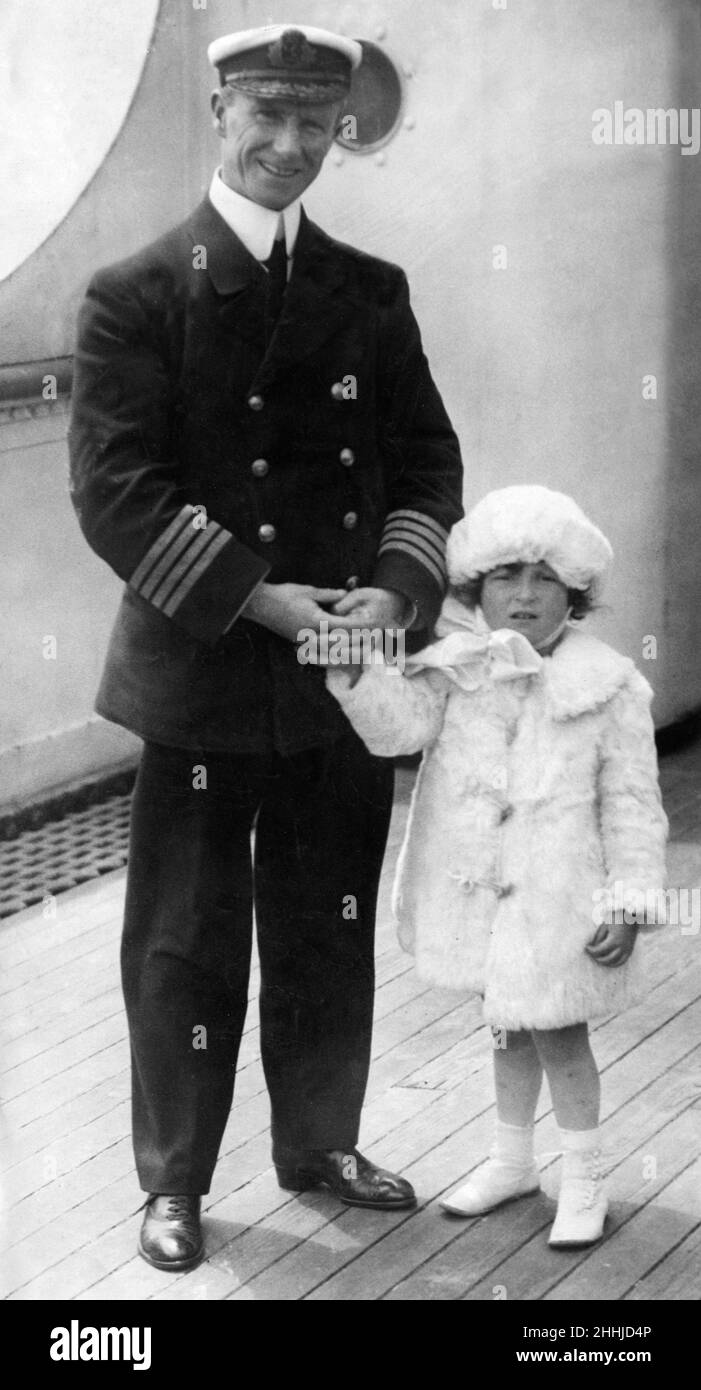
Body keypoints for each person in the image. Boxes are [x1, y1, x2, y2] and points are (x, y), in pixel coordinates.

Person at [68, 23, 463, 1271]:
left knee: (324, 915)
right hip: (202, 668)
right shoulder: (135, 293)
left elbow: (423, 467)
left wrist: (395, 592)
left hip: (342, 671)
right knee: (185, 933)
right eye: (267, 117)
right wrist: (267, 601)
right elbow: (118, 498)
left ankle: (320, 1146)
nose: (292, 145)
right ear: (219, 110)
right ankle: (174, 1182)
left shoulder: (369, 289)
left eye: (317, 123)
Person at [327, 485, 667, 1247]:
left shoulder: (608, 685)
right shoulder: (455, 669)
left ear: (573, 595)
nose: (523, 595)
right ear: (475, 591)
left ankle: (584, 1172)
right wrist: (357, 672)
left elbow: (632, 803)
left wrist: (630, 897)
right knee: (504, 1029)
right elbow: (396, 733)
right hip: (480, 895)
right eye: (505, 577)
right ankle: (511, 1158)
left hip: (560, 899)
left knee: (559, 1033)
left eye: (544, 579)